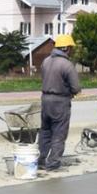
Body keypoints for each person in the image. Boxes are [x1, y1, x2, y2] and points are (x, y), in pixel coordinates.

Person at [39, 33, 81, 170]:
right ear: (67, 48)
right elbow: (76, 87)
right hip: (60, 102)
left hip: (45, 100)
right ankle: (53, 163)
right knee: (59, 132)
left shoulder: (45, 61)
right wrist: (72, 92)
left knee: (45, 131)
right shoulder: (67, 65)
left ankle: (41, 160)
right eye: (71, 48)